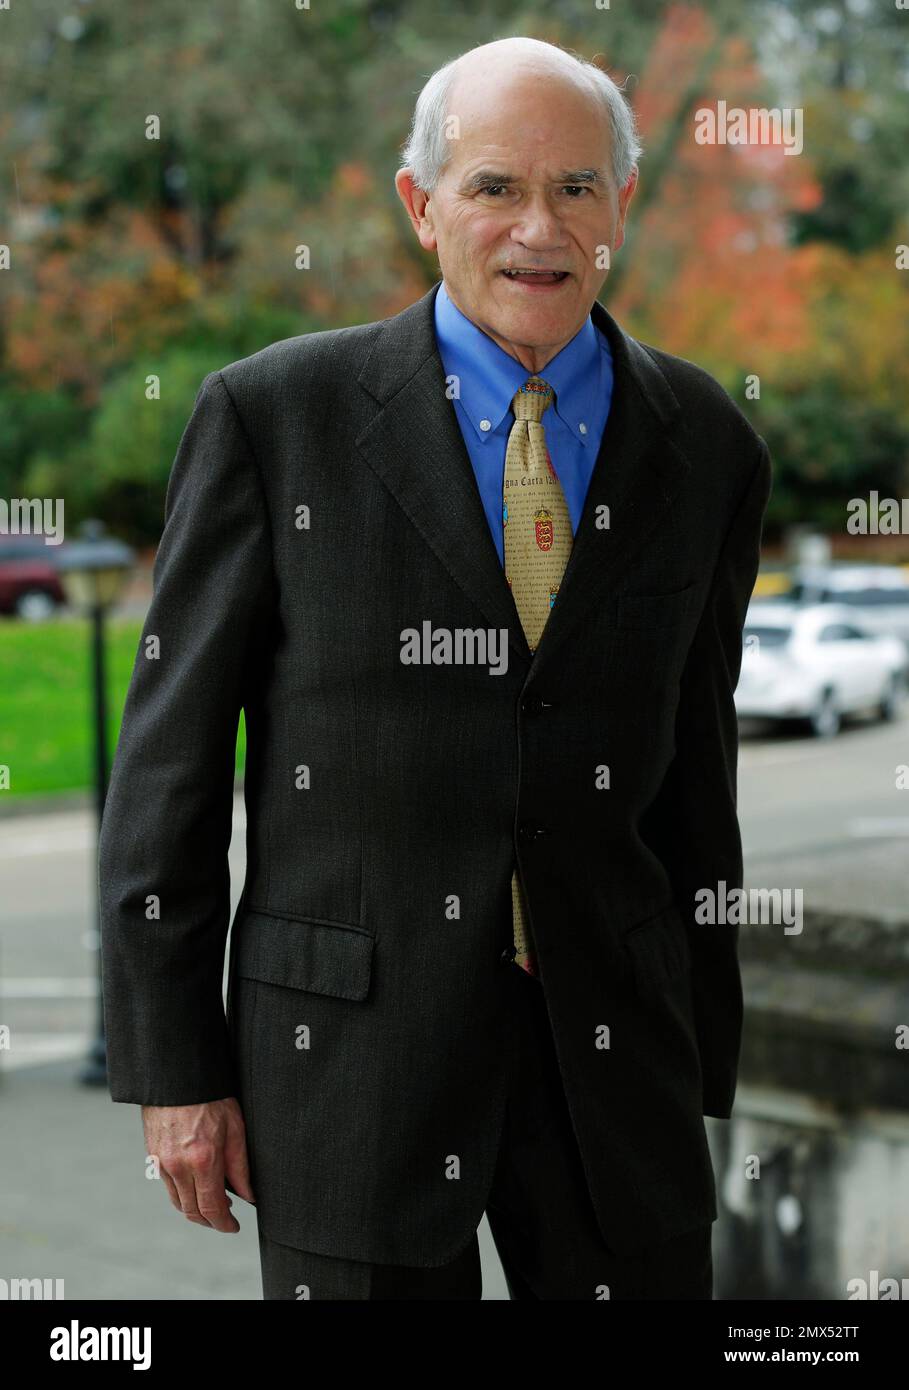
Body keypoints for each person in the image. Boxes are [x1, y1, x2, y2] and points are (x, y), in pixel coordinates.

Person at [99, 35, 771, 1300]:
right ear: (421, 206)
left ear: (622, 206)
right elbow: (167, 777)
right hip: (349, 1065)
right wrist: (176, 1067)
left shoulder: (710, 447)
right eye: (494, 187)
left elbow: (698, 783)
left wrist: (701, 1054)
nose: (540, 225)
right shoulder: (273, 419)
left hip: (614, 1071)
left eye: (578, 186)